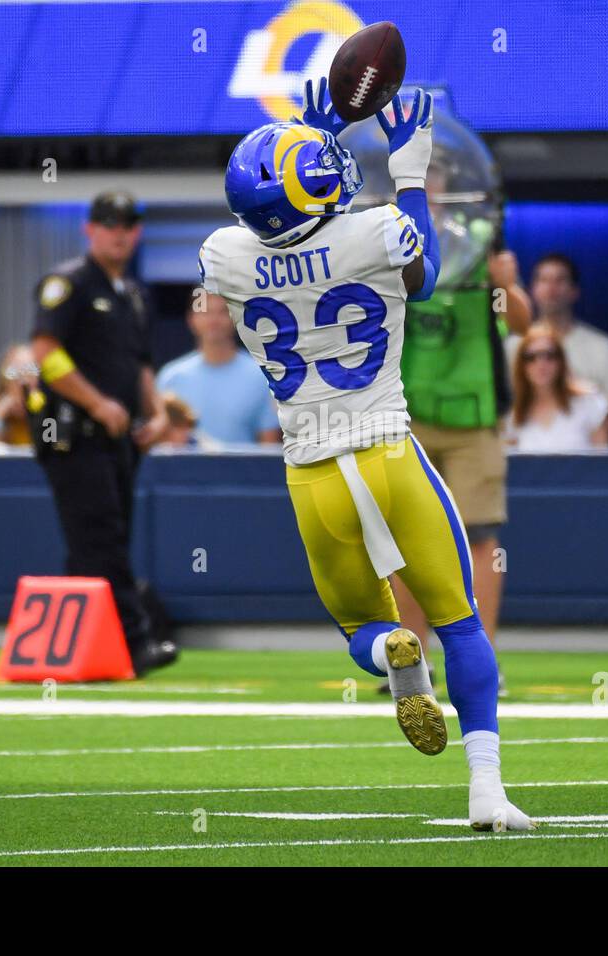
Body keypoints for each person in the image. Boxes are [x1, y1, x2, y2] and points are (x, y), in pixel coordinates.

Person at [197, 78, 533, 831]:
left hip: (311, 473)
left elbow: (284, 228)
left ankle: (390, 658)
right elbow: (427, 274)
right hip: (387, 452)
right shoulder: (373, 232)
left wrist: (310, 137)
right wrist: (409, 172)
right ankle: (486, 788)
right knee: (462, 624)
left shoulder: (223, 257)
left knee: (361, 628)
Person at [387, 162, 532, 698]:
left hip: (475, 416)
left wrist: (506, 286)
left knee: (480, 538)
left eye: (439, 176)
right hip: (407, 412)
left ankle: (481, 661)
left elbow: (521, 323)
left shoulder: (479, 240)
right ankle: (410, 665)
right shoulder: (387, 236)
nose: (433, 186)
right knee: (405, 543)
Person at [31, 190, 176, 675]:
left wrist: (157, 414)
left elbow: (141, 365)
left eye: (128, 225)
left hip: (120, 440)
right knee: (102, 540)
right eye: (110, 224)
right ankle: (135, 643)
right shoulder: (67, 283)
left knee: (101, 541)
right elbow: (45, 354)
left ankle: (84, 646)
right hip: (74, 435)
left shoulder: (133, 294)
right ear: (88, 229)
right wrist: (97, 402)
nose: (120, 233)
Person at [509, 253, 608, 441]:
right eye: (531, 357)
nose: (551, 288)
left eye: (560, 280)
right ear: (532, 289)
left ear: (575, 291)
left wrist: (574, 426)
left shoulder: (603, 348)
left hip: (582, 461)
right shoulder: (512, 347)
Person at [155, 291, 280, 445]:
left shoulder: (262, 378)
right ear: (191, 318)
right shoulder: (170, 377)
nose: (213, 320)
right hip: (186, 469)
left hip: (243, 469)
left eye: (222, 312)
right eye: (205, 311)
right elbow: (160, 445)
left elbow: (269, 447)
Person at [506, 323, 608, 452]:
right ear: (521, 365)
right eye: (531, 357)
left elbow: (603, 460)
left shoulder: (588, 402)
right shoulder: (512, 414)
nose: (541, 364)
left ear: (561, 361)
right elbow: (511, 465)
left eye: (549, 355)